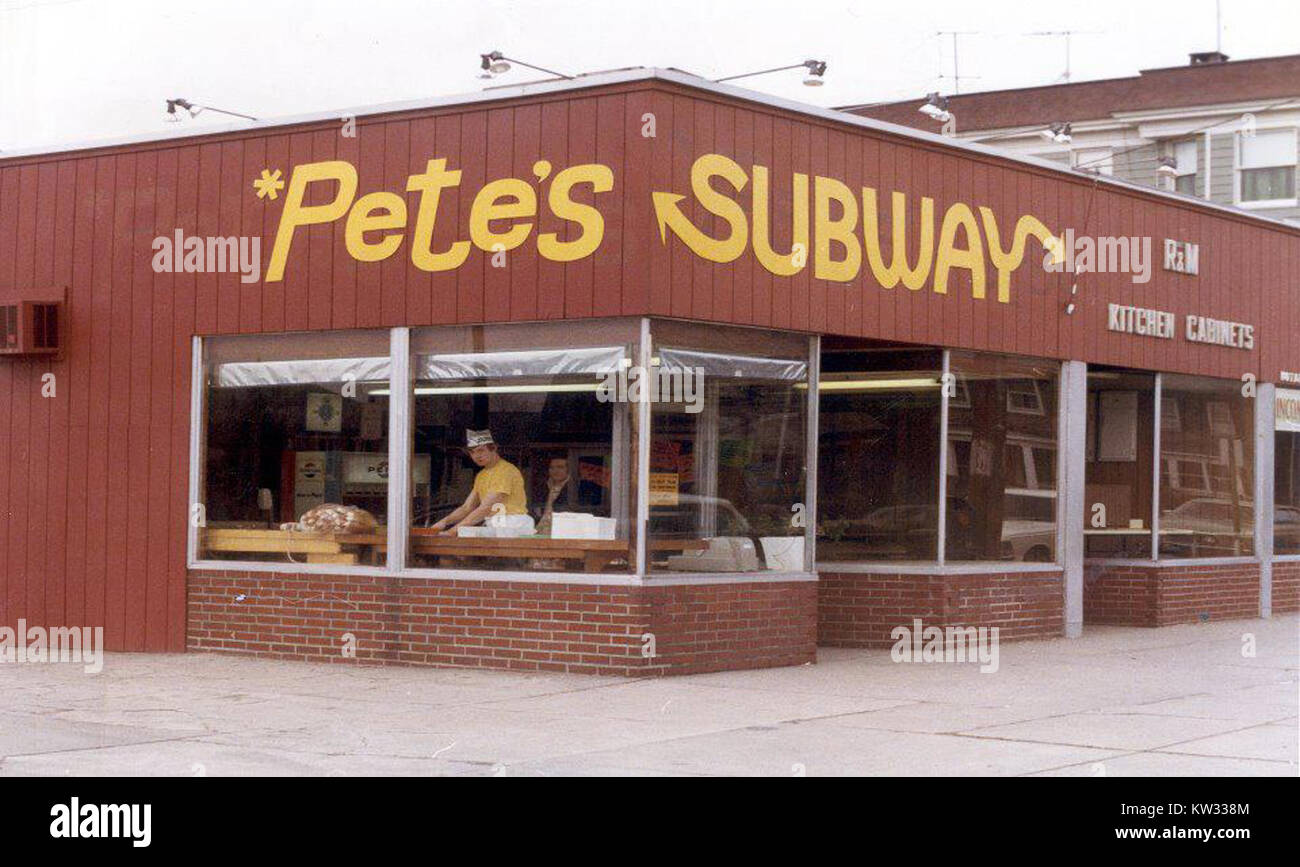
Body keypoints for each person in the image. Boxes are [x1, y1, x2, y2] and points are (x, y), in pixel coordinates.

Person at [431, 429, 534, 536]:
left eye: (481, 450)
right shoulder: (482, 475)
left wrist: (452, 531)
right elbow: (467, 507)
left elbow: (486, 507)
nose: (476, 456)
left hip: (512, 524)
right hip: (496, 525)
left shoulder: (505, 470)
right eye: (472, 452)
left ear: (493, 448)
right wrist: (443, 522)